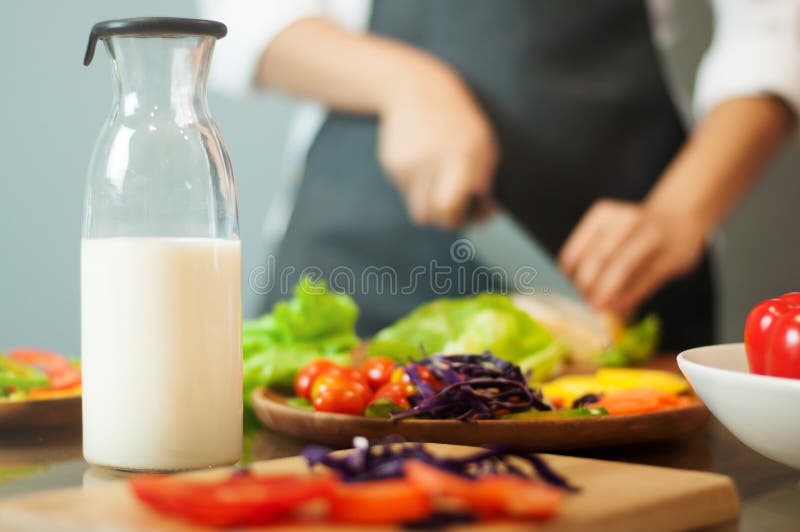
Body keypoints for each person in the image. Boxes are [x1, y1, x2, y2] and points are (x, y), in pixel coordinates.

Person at [199, 0, 798, 349]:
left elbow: (775, 32)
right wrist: (406, 84)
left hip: (625, 290)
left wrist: (680, 211)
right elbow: (248, 15)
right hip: (357, 273)